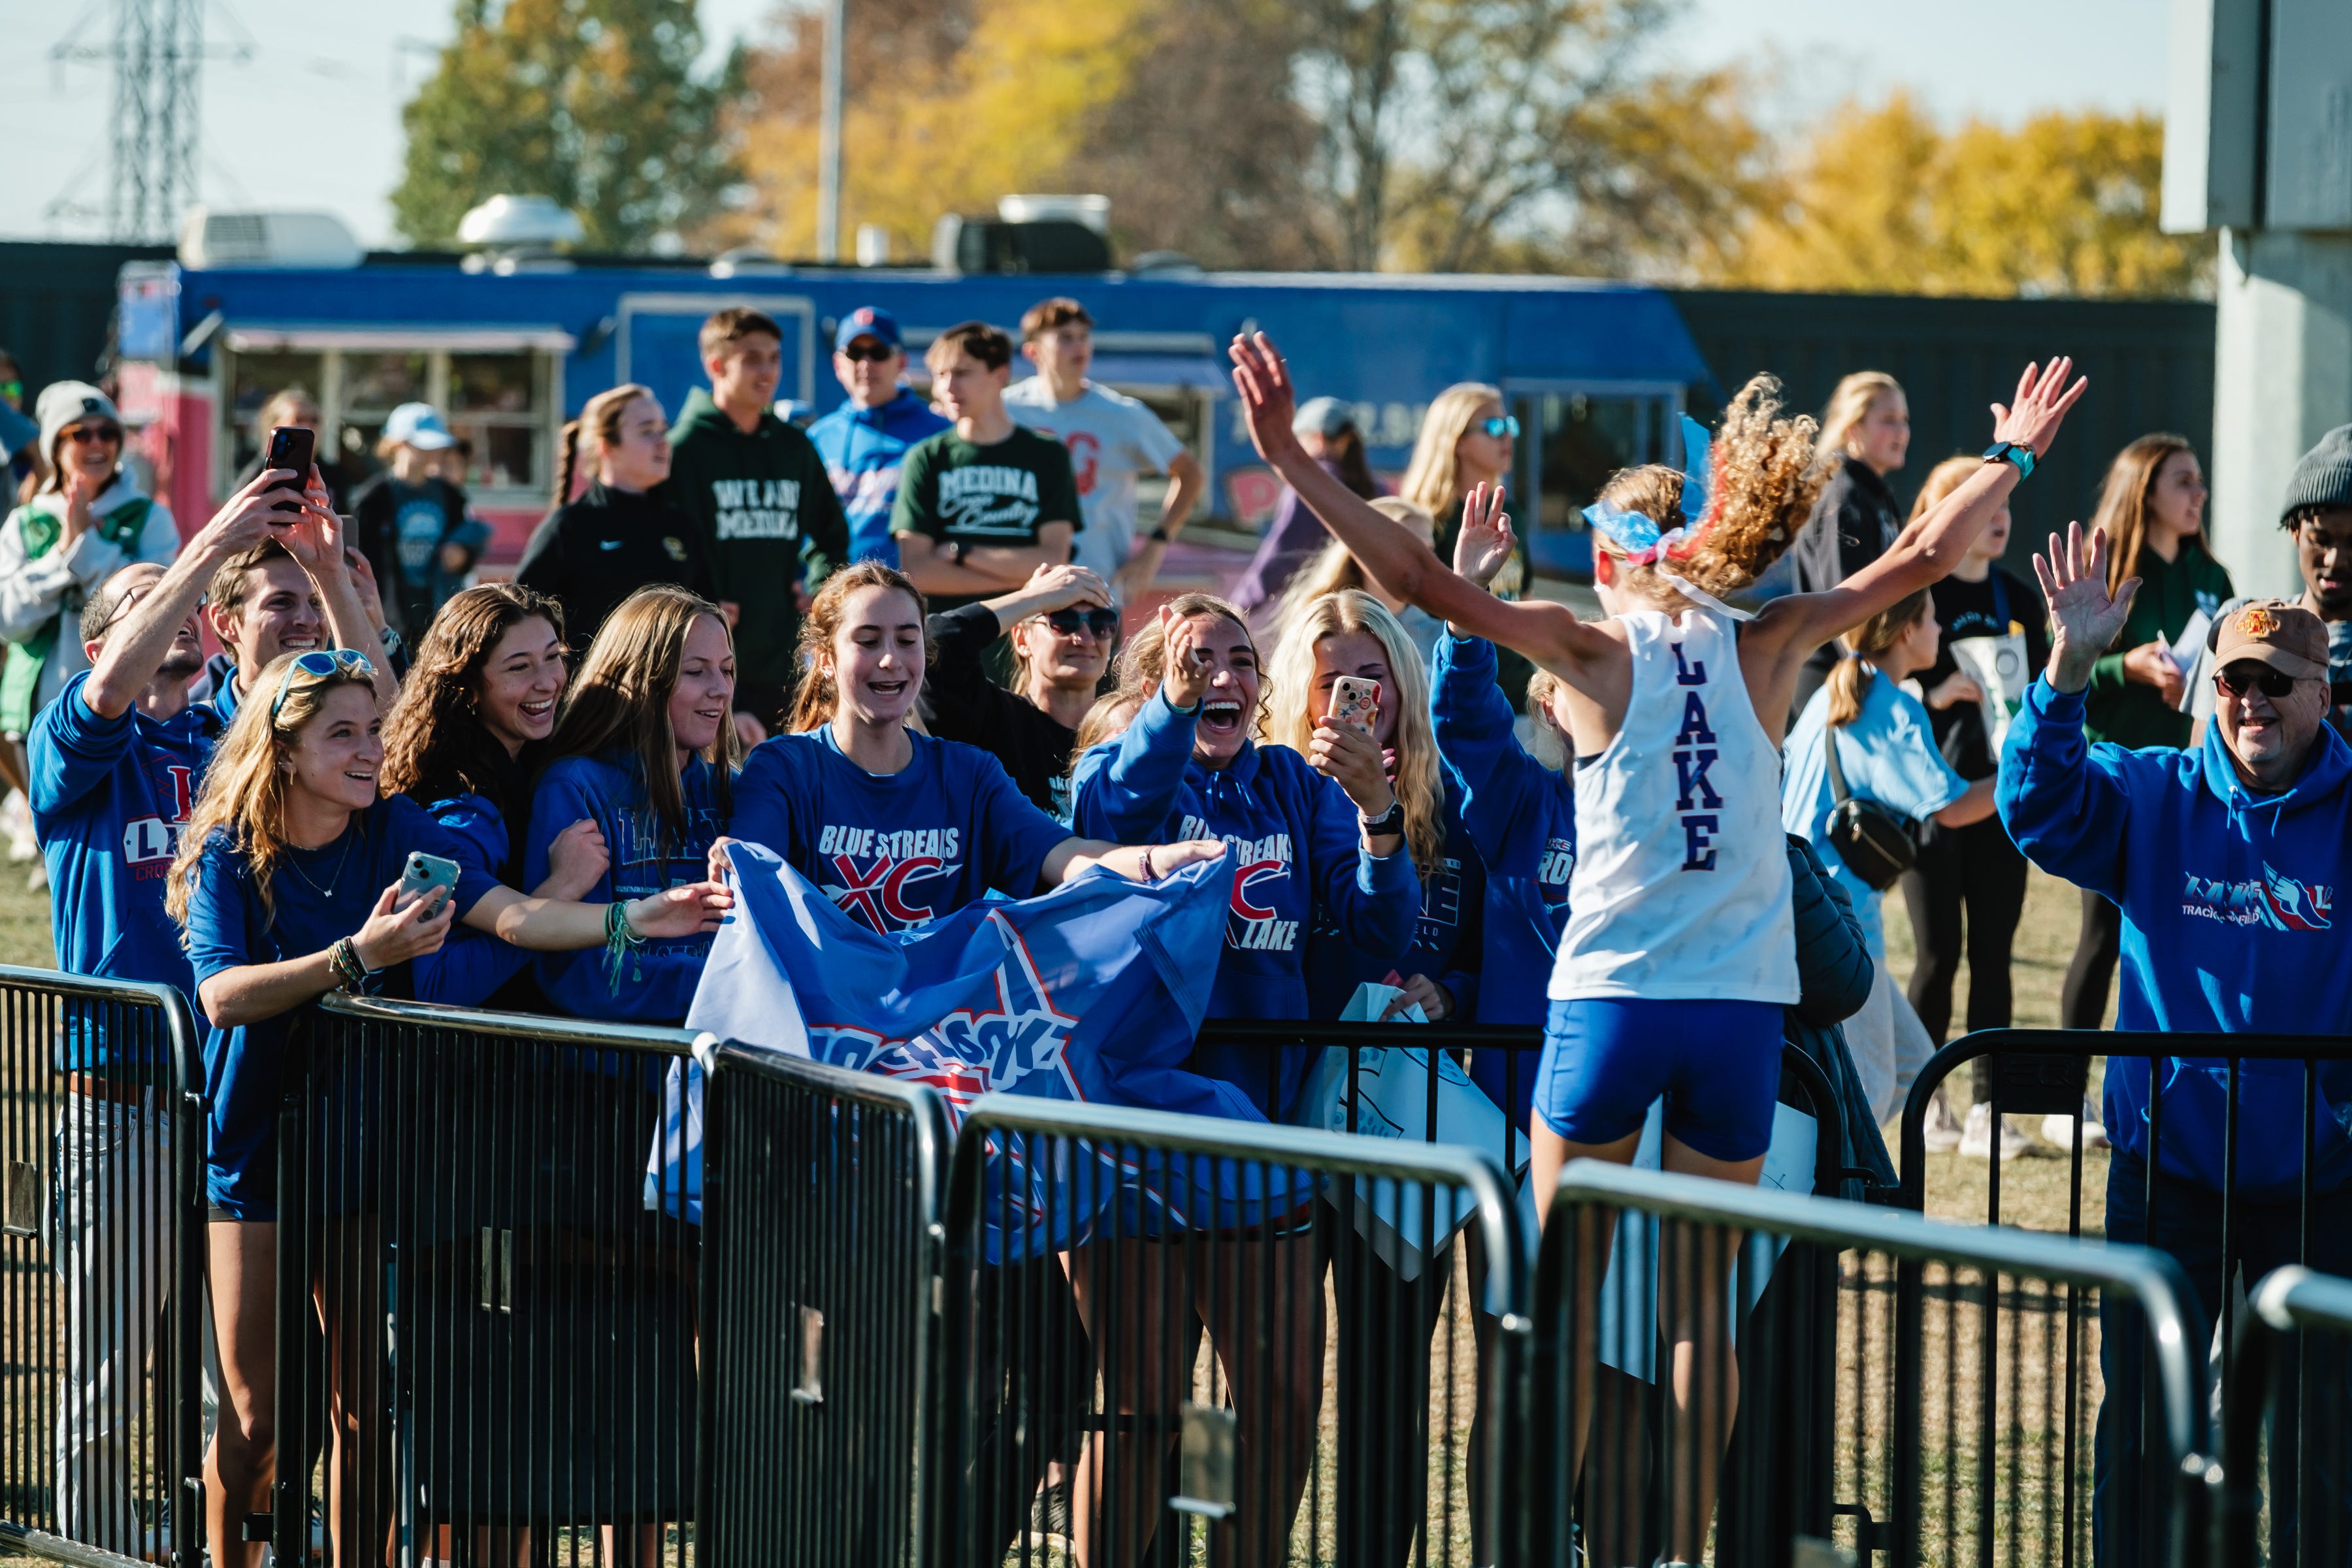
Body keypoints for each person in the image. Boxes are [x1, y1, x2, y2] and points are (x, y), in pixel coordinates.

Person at [1229, 328, 2083, 1563]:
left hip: (1614, 1004)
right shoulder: (1772, 639)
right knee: (1699, 1321)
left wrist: (1286, 462)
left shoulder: (1588, 652)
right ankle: (1681, 1550)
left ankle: (1533, 1545)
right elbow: (1925, 554)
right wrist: (2008, 452)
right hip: (1737, 1017)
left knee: (1557, 1311)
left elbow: (1414, 583)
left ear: (1611, 561)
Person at [165, 629, 727, 1567]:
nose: (370, 753)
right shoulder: (231, 850)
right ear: (286, 750)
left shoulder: (393, 826)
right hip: (253, 1144)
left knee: (364, 1406)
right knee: (261, 1420)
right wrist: (359, 958)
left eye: (374, 731)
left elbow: (509, 913)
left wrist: (631, 916)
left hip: (354, 1141)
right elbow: (222, 997)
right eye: (344, 736)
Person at [2002, 531, 2352, 1567]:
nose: (2253, 702)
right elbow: (2036, 806)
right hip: (2168, 1174)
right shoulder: (2153, 792)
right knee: (2147, 1430)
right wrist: (2068, 668)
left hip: (2321, 1184)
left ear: (2322, 695)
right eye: (2236, 681)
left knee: (2320, 1437)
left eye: (2278, 685)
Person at [1069, 591, 1416, 1565]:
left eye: (1240, 662)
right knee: (1140, 1409)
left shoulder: (1295, 788)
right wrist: (1169, 719)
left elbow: (1376, 929)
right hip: (1134, 1133)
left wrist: (1377, 817)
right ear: (1153, 682)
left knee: (1280, 1406)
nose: (1223, 677)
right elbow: (1108, 811)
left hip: (1259, 1138)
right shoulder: (1121, 767)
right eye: (1194, 662)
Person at [25, 465, 301, 1552]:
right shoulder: (77, 755)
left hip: (233, 1106)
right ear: (107, 646)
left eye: (195, 611)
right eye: (155, 612)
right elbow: (107, 691)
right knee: (105, 1376)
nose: (184, 623)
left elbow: (309, 679)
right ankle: (94, 1546)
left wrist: (313, 571)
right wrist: (203, 547)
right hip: (123, 1101)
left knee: (228, 1381)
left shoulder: (230, 740)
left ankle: (220, 1544)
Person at [1266, 586, 1479, 1565]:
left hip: (1405, 1114)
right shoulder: (1275, 788)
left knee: (1390, 1381)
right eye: (1331, 680)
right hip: (1287, 1110)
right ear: (1299, 694)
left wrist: (1453, 994)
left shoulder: (1451, 797)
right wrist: (1359, 814)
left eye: (1372, 675)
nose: (1354, 696)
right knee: (1272, 1379)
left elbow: (1485, 945)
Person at [1781, 590, 1996, 1127]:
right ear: (1905, 632)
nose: (1941, 629)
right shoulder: (1888, 705)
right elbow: (1953, 807)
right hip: (1837, 920)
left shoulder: (1839, 690)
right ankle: (1837, 1200)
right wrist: (2028, 769)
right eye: (1932, 617)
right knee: (1874, 1086)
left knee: (1913, 1067)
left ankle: (1835, 1183)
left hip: (1805, 907)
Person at [1891, 455, 2053, 1158]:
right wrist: (1935, 696)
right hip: (1931, 803)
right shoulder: (1916, 599)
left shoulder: (2019, 599)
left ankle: (1991, 1110)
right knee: (1936, 955)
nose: (1998, 518)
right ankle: (1930, 1104)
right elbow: (1869, 692)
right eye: (1981, 506)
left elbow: (2044, 693)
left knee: (1994, 955)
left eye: (2005, 507)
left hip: (2000, 803)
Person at [2060, 434, 2230, 1037]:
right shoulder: (2107, 576)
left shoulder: (2211, 574)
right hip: (2114, 772)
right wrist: (2124, 666)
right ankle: (2066, 1096)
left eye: (2199, 480)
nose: (2199, 493)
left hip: (2185, 780)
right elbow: (2061, 674)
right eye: (2183, 481)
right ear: (2146, 492)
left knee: (2183, 930)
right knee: (2102, 935)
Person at [380, 583, 612, 1009]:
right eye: (519, 668)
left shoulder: (535, 760)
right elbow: (437, 985)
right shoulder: (457, 811)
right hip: (460, 1067)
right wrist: (560, 888)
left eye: (553, 657)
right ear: (467, 686)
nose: (548, 682)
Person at [524, 585, 745, 1025]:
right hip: (615, 1075)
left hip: (717, 1068)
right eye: (697, 672)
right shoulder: (577, 787)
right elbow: (574, 971)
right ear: (644, 680)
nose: (720, 690)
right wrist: (721, 989)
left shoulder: (736, 791)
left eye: (727, 670)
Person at [663, 306, 849, 735]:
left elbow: (832, 533)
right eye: (752, 359)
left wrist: (821, 587)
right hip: (697, 663)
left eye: (774, 358)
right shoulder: (684, 449)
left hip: (782, 659)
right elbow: (662, 547)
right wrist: (695, 600)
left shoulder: (794, 447)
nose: (767, 371)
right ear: (716, 365)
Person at [0, 382, 179, 737]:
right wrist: (61, 555)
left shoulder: (151, 518)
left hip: (124, 716)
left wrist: (86, 544)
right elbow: (8, 622)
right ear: (56, 446)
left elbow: (156, 615)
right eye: (81, 434)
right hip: (28, 721)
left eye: (109, 433)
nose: (98, 444)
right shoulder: (25, 522)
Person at [1004, 297, 1203, 600]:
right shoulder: (1005, 409)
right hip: (1018, 589)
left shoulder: (1122, 414)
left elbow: (1190, 474)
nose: (1079, 346)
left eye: (1084, 337)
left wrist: (1155, 547)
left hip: (1098, 592)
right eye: (1065, 338)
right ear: (1033, 352)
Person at [889, 321, 1081, 613]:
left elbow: (1053, 561)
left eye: (963, 373)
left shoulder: (1047, 455)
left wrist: (961, 552)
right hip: (947, 638)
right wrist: (1022, 585)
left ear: (1000, 375)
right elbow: (918, 571)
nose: (947, 387)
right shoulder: (926, 458)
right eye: (940, 375)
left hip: (1025, 640)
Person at [515, 384, 717, 645]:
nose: (662, 443)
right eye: (647, 432)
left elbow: (708, 613)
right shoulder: (571, 527)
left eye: (663, 431)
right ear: (607, 447)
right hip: (592, 685)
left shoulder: (681, 526)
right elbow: (519, 616)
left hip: (669, 686)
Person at [2185, 423, 2352, 738]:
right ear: (2295, 532)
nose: (2335, 559)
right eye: (2321, 538)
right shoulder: (2239, 627)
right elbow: (2202, 762)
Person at [921, 562, 1118, 815]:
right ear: (1022, 640)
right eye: (1062, 621)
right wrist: (1036, 597)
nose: (1085, 638)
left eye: (1101, 623)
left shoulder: (1125, 732)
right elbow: (935, 639)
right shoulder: (991, 717)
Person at [1782, 372, 1912, 719]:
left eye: (1904, 421)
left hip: (1858, 679)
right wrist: (1872, 683)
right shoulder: (1842, 496)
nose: (1902, 432)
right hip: (1836, 685)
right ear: (1853, 429)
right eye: (1888, 420)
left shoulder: (1874, 494)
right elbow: (1845, 605)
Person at [1398, 383, 1533, 708]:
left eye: (1509, 425)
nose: (1507, 437)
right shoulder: (1429, 521)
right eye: (1494, 427)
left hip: (1517, 693)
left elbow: (1523, 599)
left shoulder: (1510, 512)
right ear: (1456, 441)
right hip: (1459, 694)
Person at [806, 305, 950, 566]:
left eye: (879, 353)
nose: (866, 364)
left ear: (902, 363)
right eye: (854, 353)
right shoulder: (818, 437)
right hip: (830, 593)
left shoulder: (940, 435)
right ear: (838, 365)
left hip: (907, 593)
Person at [1232, 396, 1383, 618]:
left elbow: (1283, 556)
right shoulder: (1379, 490)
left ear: (1318, 438)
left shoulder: (1308, 487)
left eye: (1299, 440)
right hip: (1374, 614)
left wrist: (1238, 605)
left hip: (1325, 614)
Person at [348, 402, 487, 640]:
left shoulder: (451, 495)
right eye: (423, 444)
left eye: (436, 445)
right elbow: (357, 556)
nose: (433, 452)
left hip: (440, 612)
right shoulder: (372, 498)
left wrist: (464, 552)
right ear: (397, 443)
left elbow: (466, 542)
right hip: (388, 617)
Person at [1266, 498, 1447, 666]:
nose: (1423, 560)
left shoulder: (1442, 637)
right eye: (1409, 547)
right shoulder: (1320, 628)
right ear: (1367, 551)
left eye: (1428, 551)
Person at [232, 386, 357, 514]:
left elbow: (346, 522)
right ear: (276, 426)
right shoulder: (259, 474)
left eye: (314, 420)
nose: (308, 426)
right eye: (299, 420)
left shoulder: (335, 474)